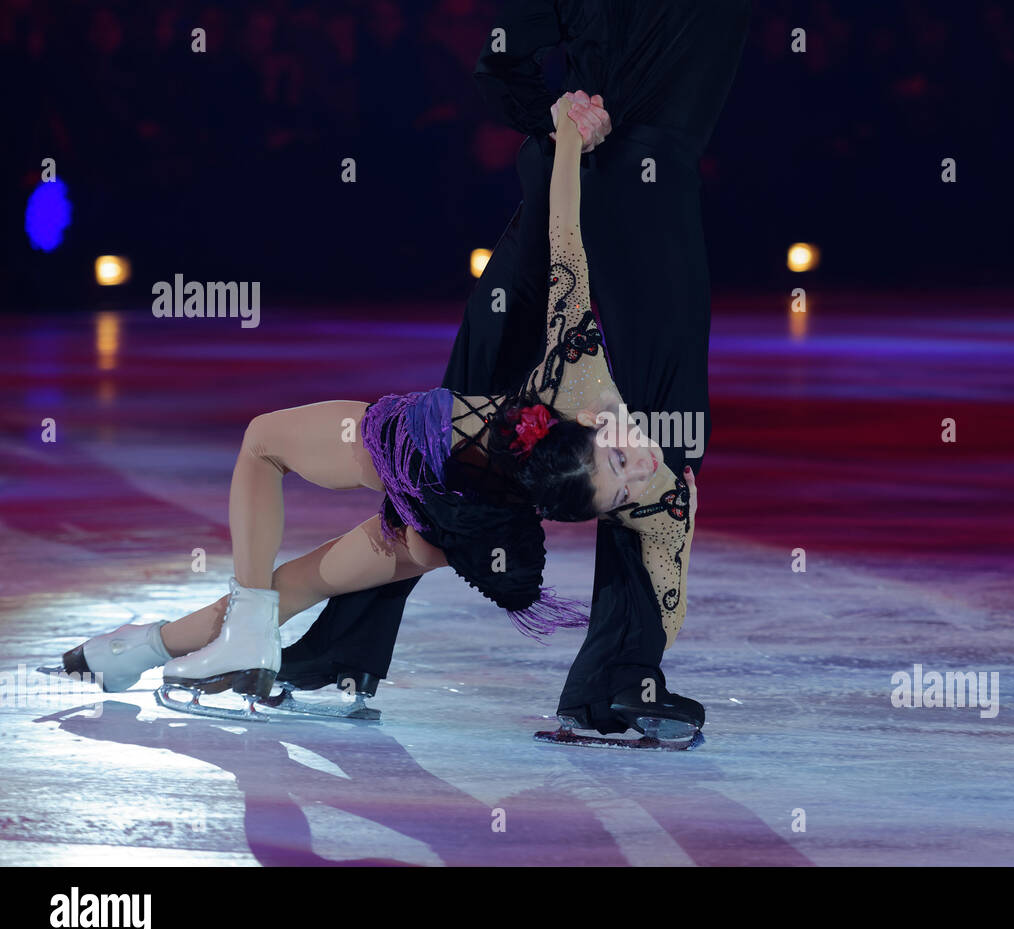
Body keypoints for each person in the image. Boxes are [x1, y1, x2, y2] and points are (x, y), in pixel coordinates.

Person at [59, 97, 700, 737]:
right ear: (577, 430)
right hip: (455, 522)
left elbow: (564, 240)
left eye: (625, 483)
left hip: (412, 448)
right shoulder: (633, 458)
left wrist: (566, 136)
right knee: (299, 582)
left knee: (262, 444)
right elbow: (567, 240)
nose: (644, 464)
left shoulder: (577, 377)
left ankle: (231, 638)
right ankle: (136, 650)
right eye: (622, 463)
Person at [278, 0, 751, 736]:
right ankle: (617, 680)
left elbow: (500, 60)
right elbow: (501, 61)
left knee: (461, 421)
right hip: (644, 196)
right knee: (661, 426)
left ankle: (344, 649)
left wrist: (560, 125)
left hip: (564, 186)